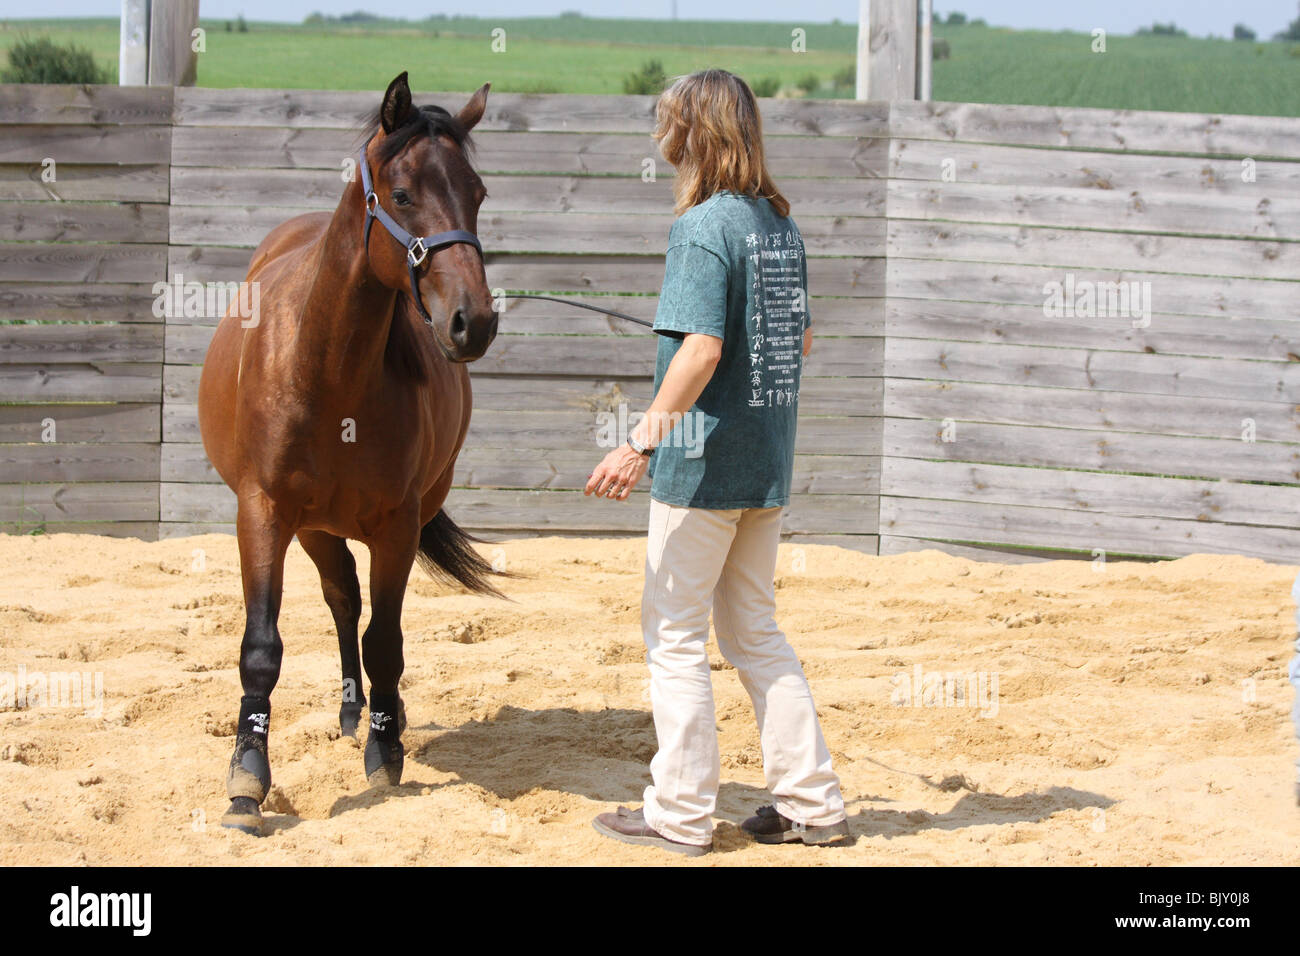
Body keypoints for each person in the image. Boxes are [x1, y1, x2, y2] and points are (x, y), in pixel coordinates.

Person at [583, 69, 849, 855]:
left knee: (672, 638)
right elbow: (797, 344)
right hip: (765, 464)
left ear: (694, 133)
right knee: (756, 633)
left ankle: (679, 814)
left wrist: (638, 443)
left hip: (700, 473)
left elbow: (702, 350)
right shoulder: (780, 224)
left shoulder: (701, 228)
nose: (660, 138)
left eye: (668, 123)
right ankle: (813, 806)